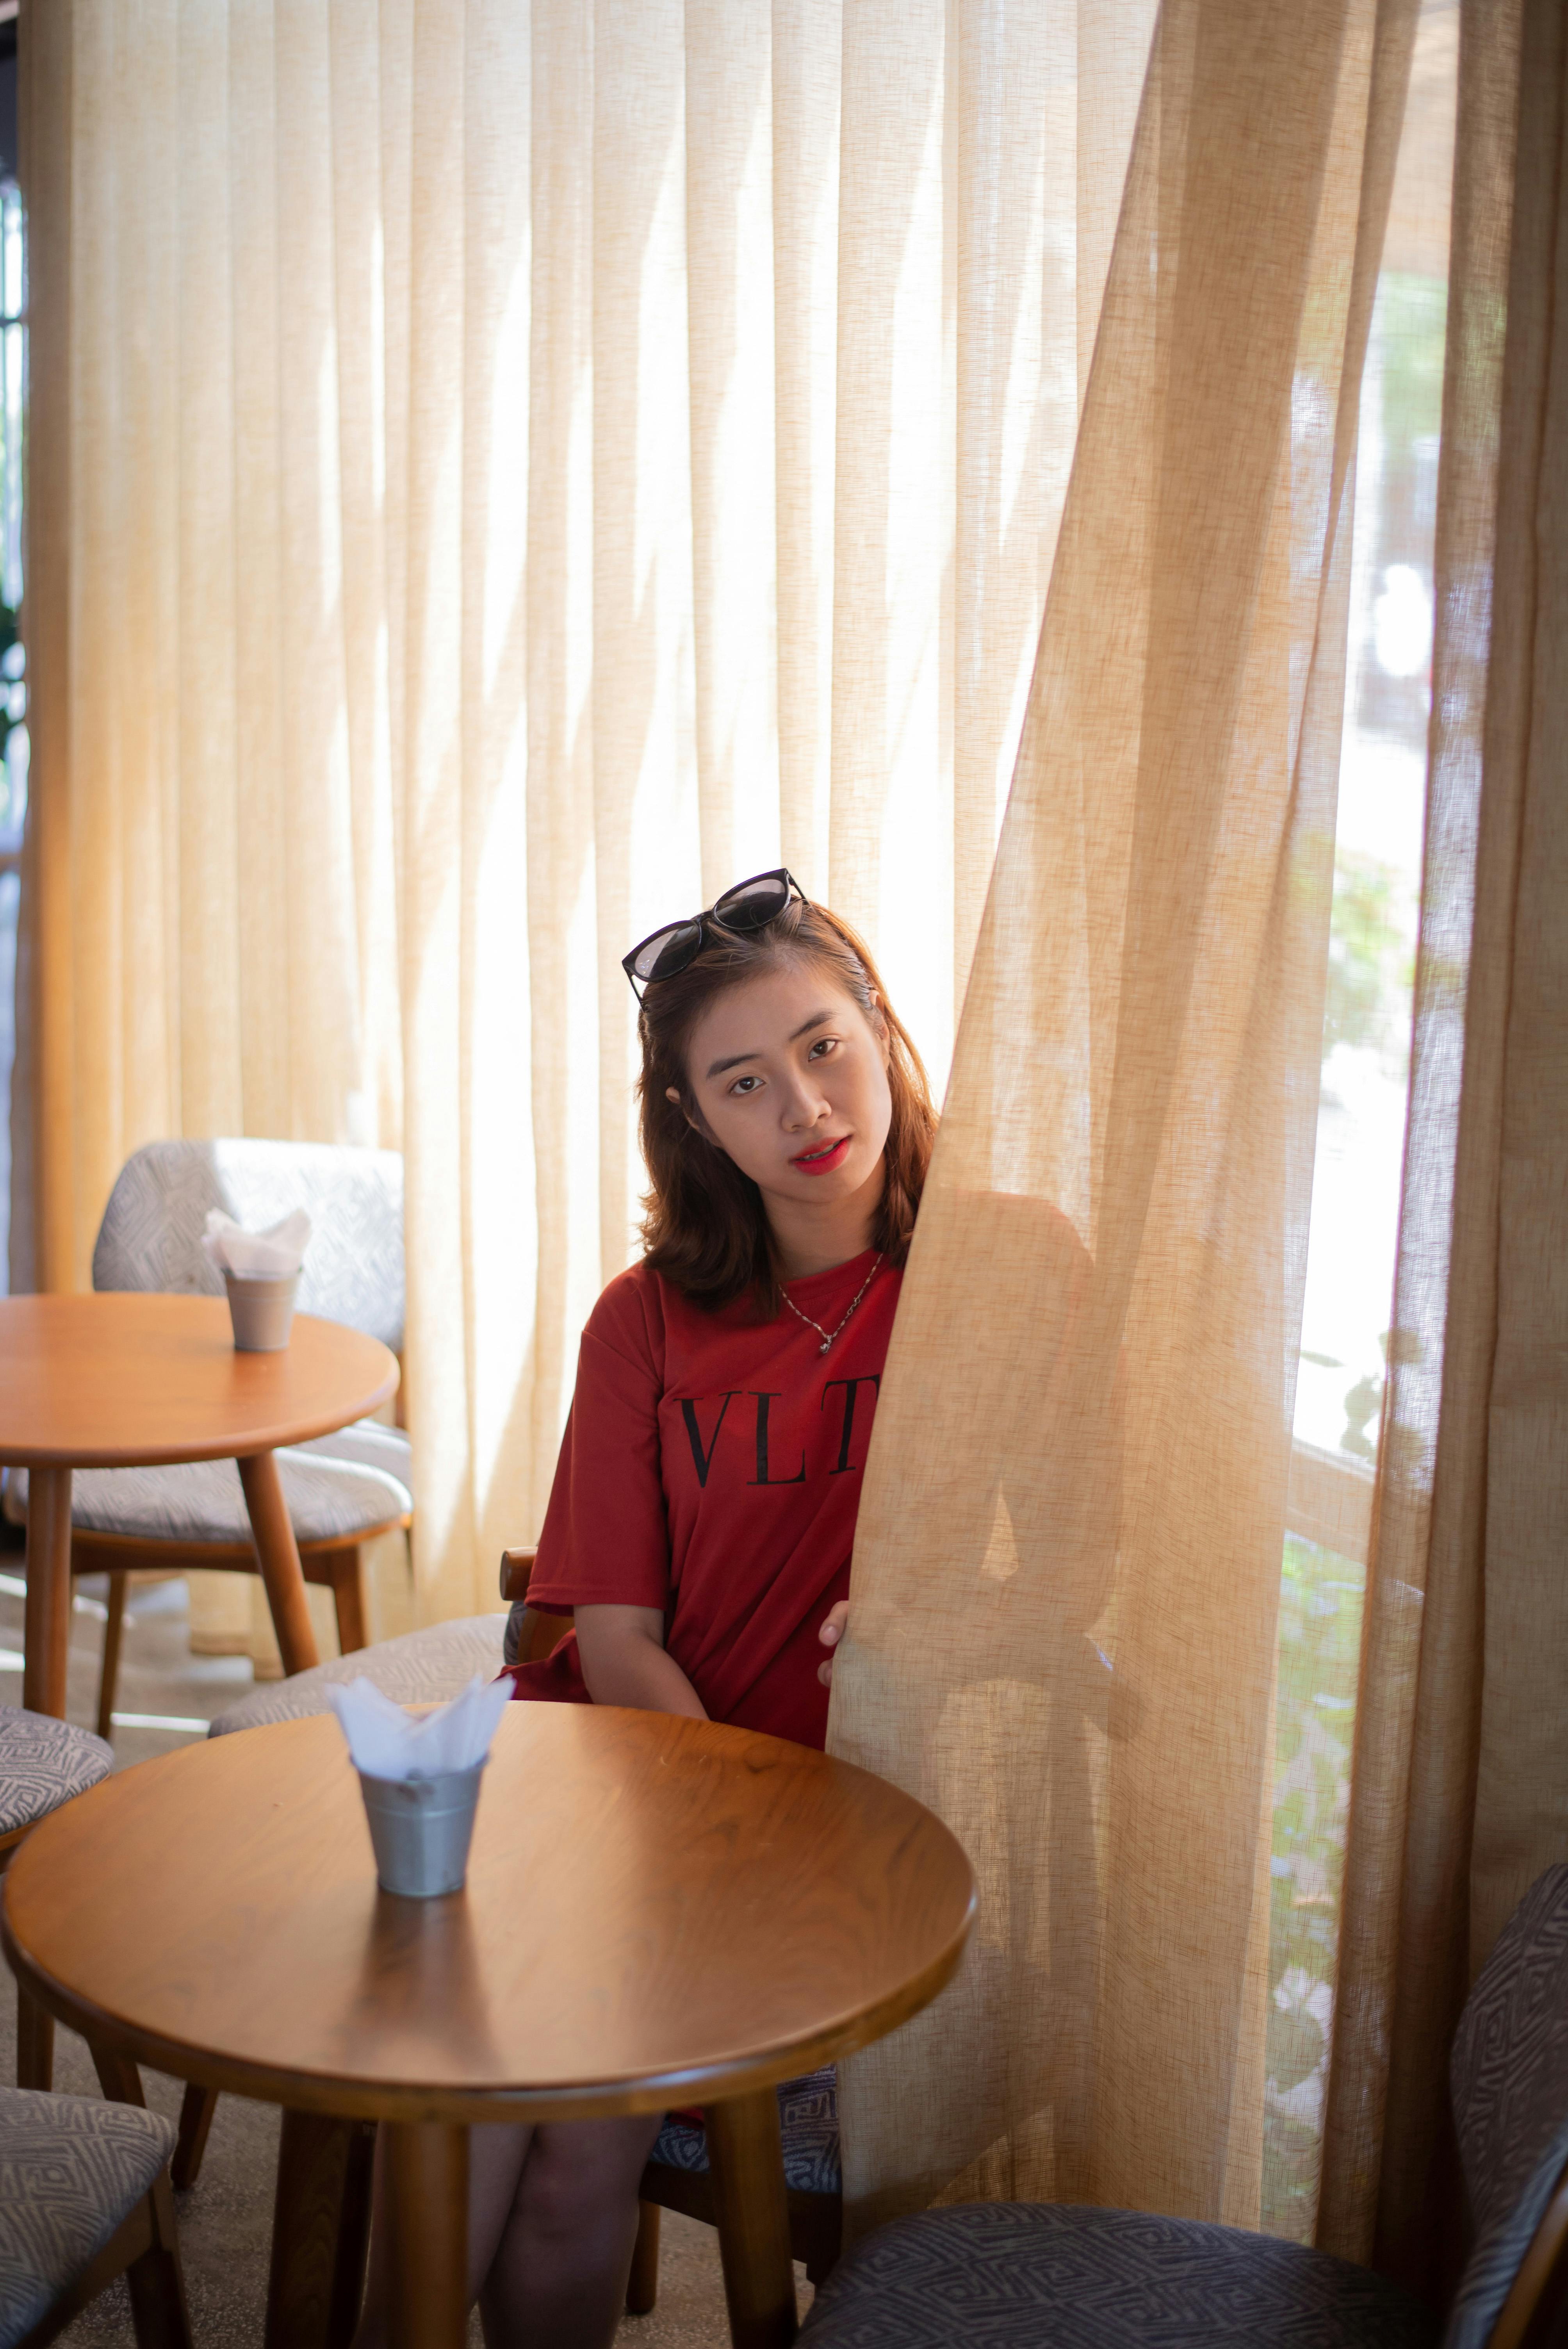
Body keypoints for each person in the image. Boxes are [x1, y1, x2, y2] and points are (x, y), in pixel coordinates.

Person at [353, 869, 935, 2349]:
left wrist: (945, 1617)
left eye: (821, 1046)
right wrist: (709, 1845)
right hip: (630, 1772)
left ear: (878, 1026)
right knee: (483, 2109)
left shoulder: (991, 1279)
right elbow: (611, 1638)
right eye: (743, 1083)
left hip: (848, 1824)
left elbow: (1088, 1568)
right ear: (695, 1119)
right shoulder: (649, 1315)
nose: (804, 1108)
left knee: (575, 2137)